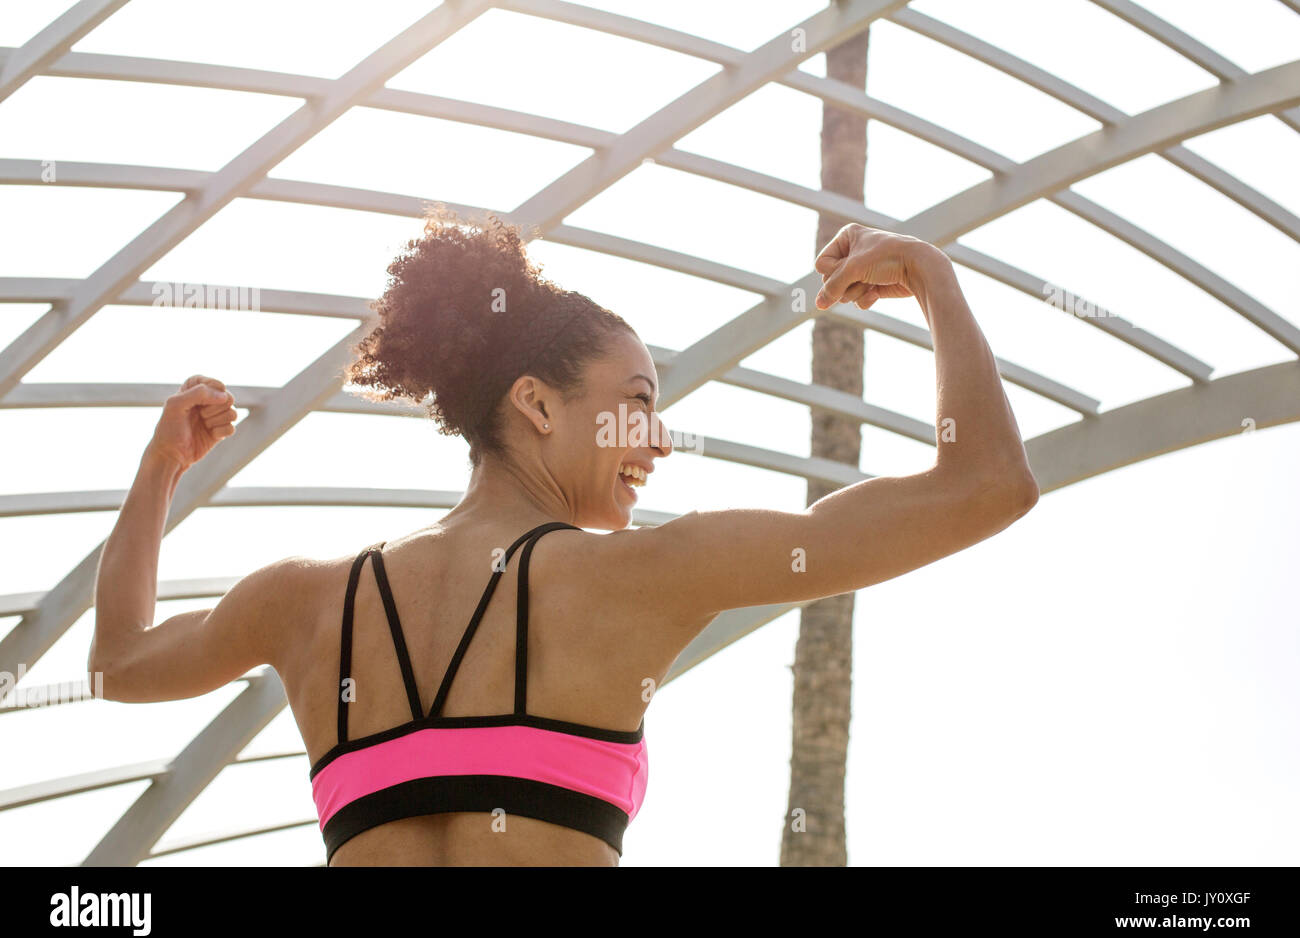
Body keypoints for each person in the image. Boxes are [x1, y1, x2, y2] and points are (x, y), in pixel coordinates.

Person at [89, 209, 1038, 866]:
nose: (658, 440)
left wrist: (161, 470)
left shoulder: (302, 601)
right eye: (636, 406)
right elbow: (987, 486)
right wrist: (929, 275)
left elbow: (120, 663)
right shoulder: (649, 575)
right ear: (537, 404)